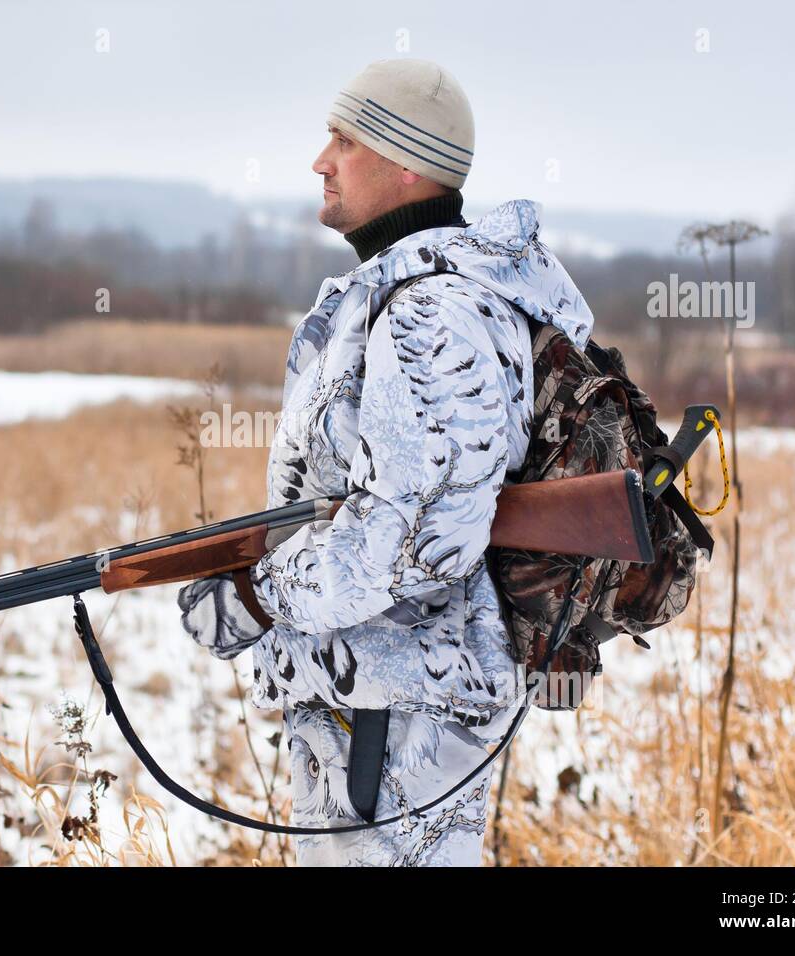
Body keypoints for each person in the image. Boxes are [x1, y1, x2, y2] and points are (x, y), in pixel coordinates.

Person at [178, 58, 594, 866]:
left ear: (407, 163)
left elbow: (406, 546)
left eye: (345, 138)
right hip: (373, 696)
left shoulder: (430, 315)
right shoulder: (413, 293)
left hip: (395, 718)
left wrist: (258, 597)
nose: (320, 159)